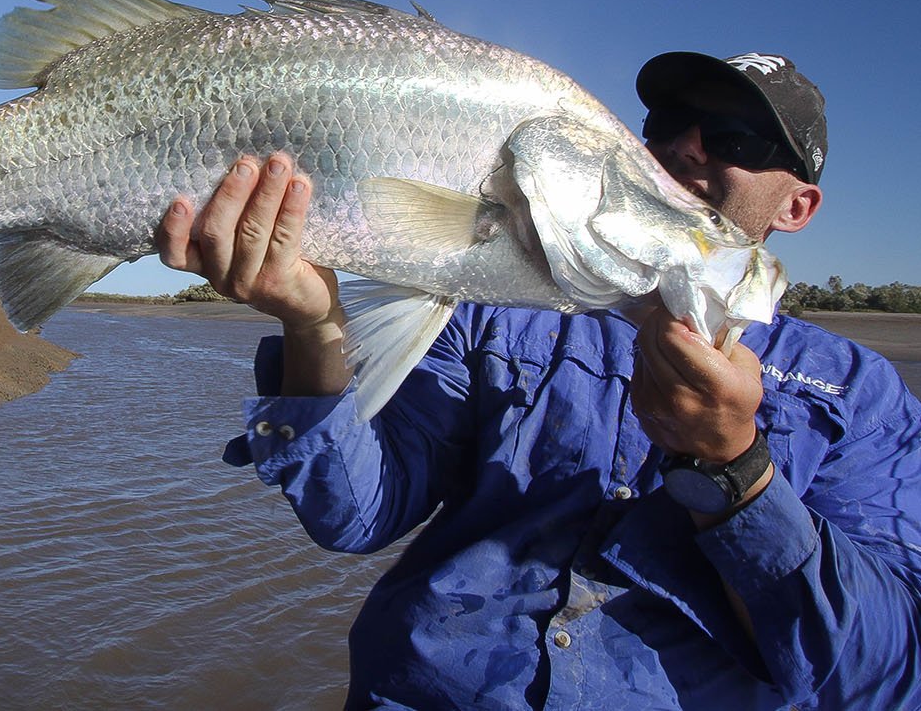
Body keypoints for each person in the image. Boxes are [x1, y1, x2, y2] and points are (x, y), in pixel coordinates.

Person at [155, 51, 921, 710]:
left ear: (798, 206)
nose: (686, 147)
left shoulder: (860, 394)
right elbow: (355, 514)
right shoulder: (493, 307)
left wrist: (735, 467)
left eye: (736, 137)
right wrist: (315, 327)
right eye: (665, 124)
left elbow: (882, 674)